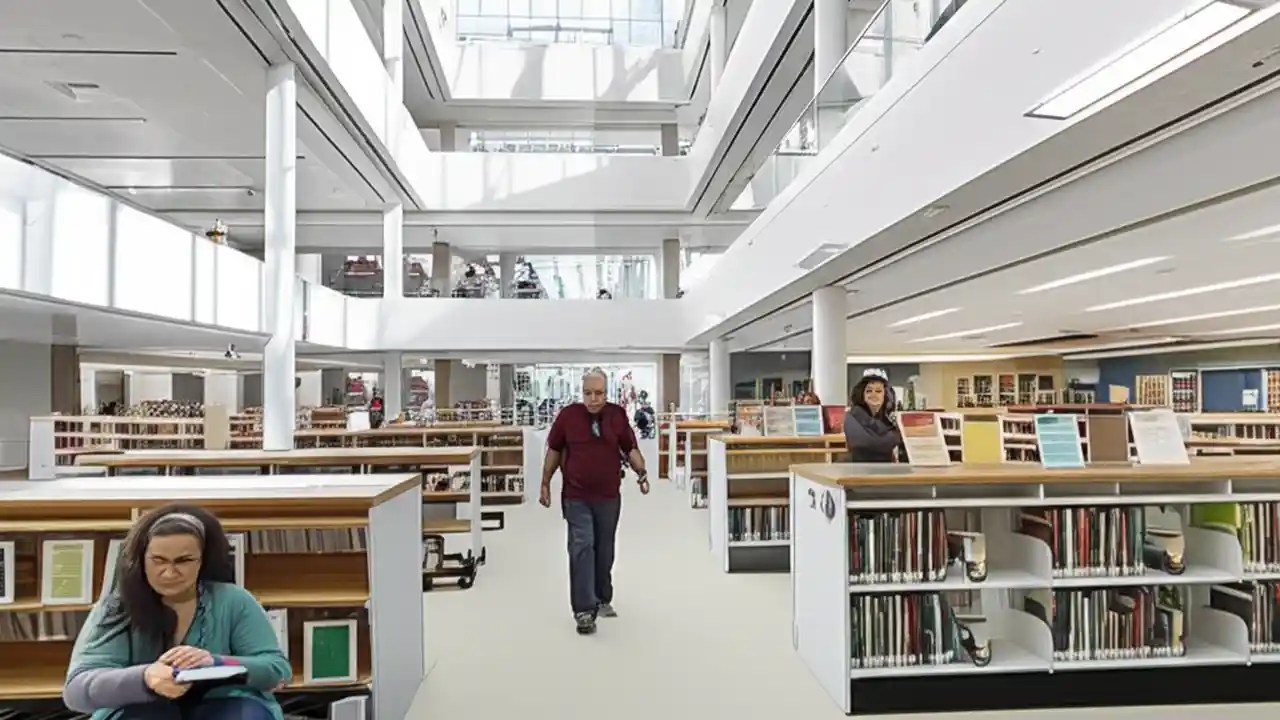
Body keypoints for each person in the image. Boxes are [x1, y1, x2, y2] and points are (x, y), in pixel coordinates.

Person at [64, 504, 292, 720]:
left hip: (227, 704)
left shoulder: (234, 600)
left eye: (183, 561)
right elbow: (76, 690)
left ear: (202, 561)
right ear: (141, 560)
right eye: (158, 561)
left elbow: (277, 670)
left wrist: (216, 662)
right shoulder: (117, 607)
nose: (169, 573)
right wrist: (144, 678)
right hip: (141, 709)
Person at [539, 367, 650, 636]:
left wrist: (642, 472)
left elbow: (630, 447)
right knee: (582, 546)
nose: (593, 399)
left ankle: (601, 597)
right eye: (588, 393)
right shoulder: (568, 416)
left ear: (606, 392)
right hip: (576, 496)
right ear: (582, 392)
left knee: (604, 549)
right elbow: (554, 450)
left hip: (608, 496)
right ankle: (584, 610)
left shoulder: (616, 415)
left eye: (598, 393)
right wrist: (545, 482)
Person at [844, 373, 904, 463]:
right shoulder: (852, 415)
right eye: (869, 391)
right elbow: (865, 443)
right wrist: (895, 437)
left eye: (878, 391)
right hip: (860, 467)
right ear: (862, 394)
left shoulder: (888, 417)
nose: (873, 394)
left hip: (886, 468)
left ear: (886, 395)